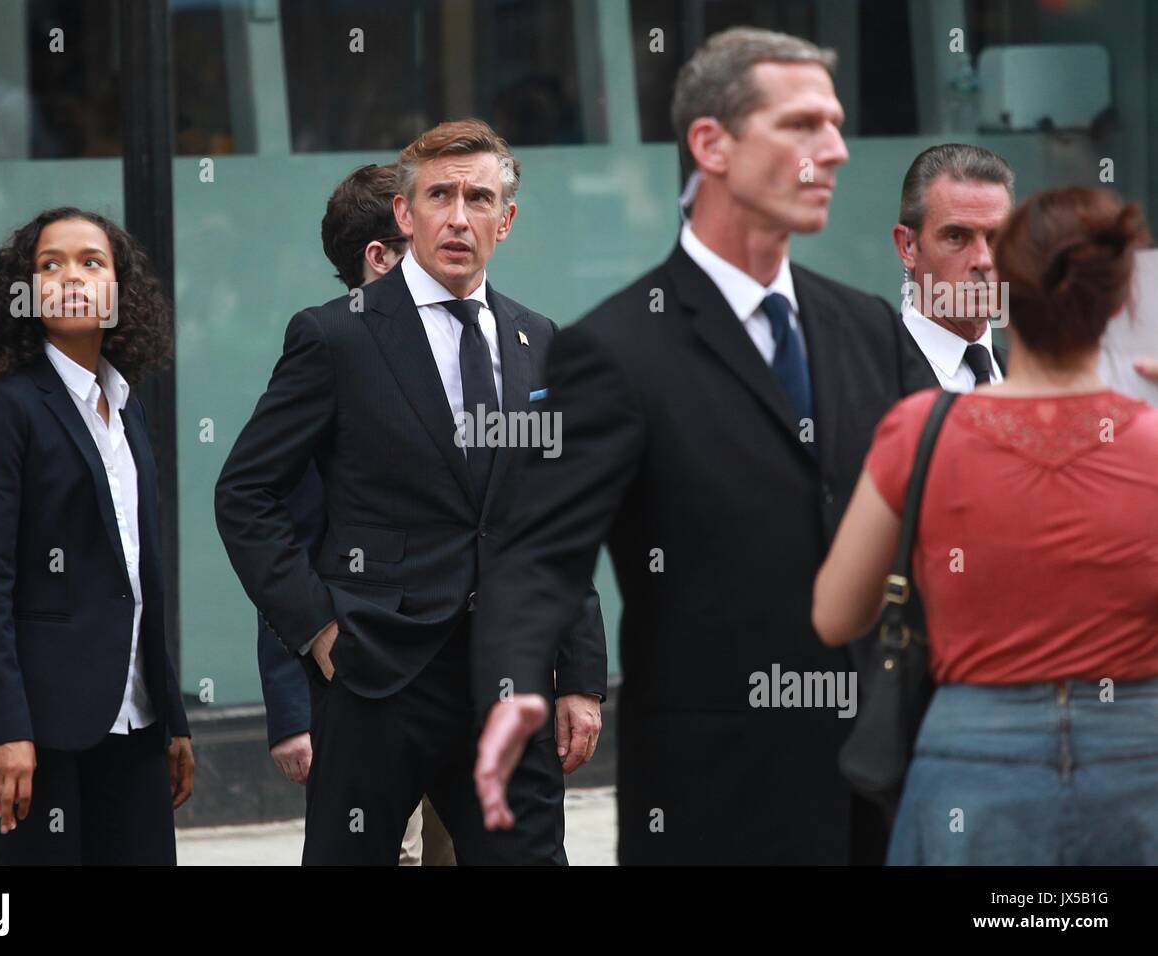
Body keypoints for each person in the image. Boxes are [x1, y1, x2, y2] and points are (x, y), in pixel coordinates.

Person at [471, 27, 920, 864]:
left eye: (836, 123)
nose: (838, 150)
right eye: (802, 125)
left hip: (884, 785)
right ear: (710, 143)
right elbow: (537, 555)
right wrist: (513, 687)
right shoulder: (615, 350)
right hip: (716, 801)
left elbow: (940, 512)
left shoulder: (867, 329)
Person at [215, 119, 606, 865]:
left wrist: (580, 675)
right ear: (405, 214)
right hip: (375, 679)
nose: (460, 216)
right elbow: (245, 494)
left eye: (480, 197)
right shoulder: (338, 338)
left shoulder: (541, 341)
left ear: (507, 219)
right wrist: (321, 635)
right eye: (441, 196)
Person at [813, 185, 1158, 865]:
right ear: (1119, 305)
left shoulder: (919, 433)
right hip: (1137, 760)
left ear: (1006, 289)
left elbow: (834, 615)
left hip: (972, 765)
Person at [0, 207, 194, 864]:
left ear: (119, 287)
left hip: (134, 722)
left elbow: (137, 576)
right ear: (23, 293)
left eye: (91, 261)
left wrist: (170, 714)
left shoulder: (126, 403)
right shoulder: (1, 406)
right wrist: (4, 728)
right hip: (38, 726)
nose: (72, 276)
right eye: (49, 264)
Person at [257, 161, 439, 864]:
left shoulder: (479, 344)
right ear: (381, 254)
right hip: (372, 682)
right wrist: (293, 700)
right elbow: (279, 533)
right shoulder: (330, 352)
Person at [893, 145, 1012, 393]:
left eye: (996, 237)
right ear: (908, 246)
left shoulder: (1033, 385)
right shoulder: (865, 378)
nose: (984, 260)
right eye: (956, 236)